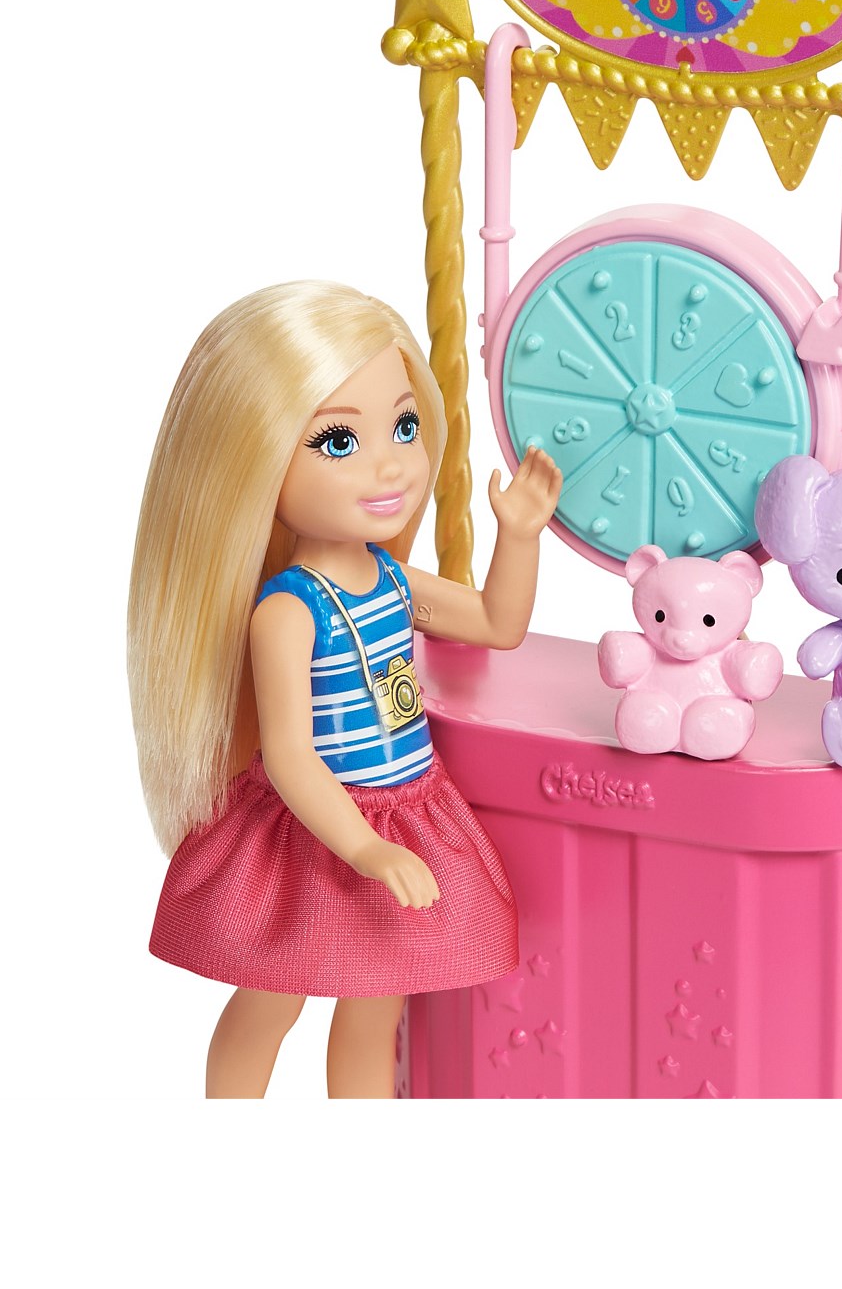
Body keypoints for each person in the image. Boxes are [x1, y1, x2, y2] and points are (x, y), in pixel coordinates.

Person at [127, 280, 561, 1097]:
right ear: (254, 462)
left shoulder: (392, 580)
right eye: (337, 441)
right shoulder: (290, 610)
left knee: (375, 1009)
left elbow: (497, 623)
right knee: (272, 1001)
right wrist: (365, 847)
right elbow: (291, 757)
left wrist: (520, 537)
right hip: (314, 832)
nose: (389, 462)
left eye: (404, 426)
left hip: (407, 808)